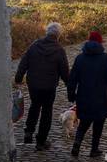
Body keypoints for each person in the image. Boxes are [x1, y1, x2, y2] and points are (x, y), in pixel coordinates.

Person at [15, 21, 69, 150]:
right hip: (49, 86)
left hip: (33, 84)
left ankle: (28, 132)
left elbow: (24, 61)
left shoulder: (35, 45)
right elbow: (64, 71)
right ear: (58, 35)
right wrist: (69, 84)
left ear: (47, 32)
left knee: (34, 106)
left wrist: (18, 77)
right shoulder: (59, 50)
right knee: (46, 111)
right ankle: (41, 141)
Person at [67, 30, 107, 158]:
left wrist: (71, 95)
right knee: (98, 123)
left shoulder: (80, 58)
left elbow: (72, 79)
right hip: (101, 97)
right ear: (100, 43)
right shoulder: (105, 58)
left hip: (84, 96)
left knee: (84, 122)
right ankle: (94, 149)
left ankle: (76, 144)